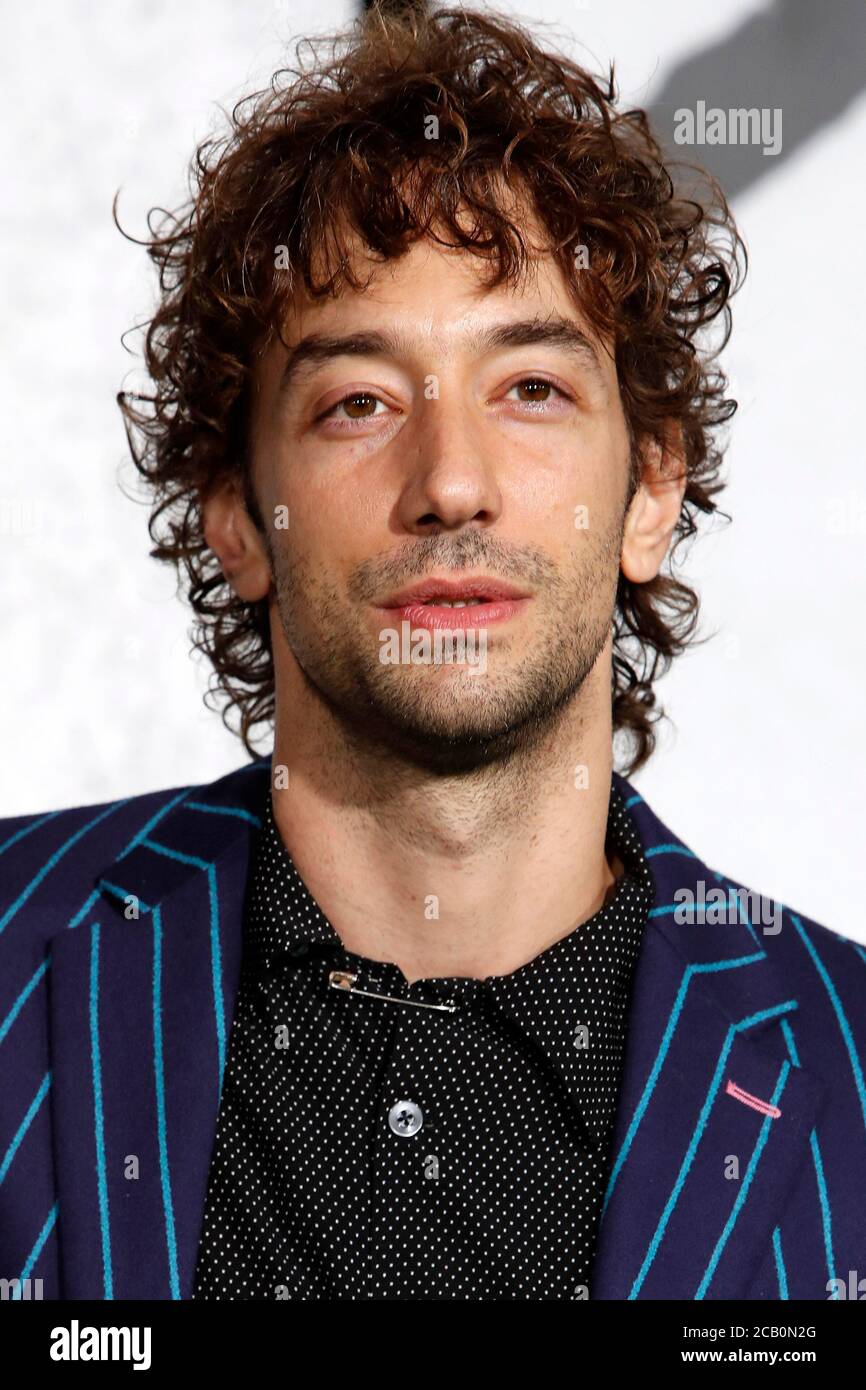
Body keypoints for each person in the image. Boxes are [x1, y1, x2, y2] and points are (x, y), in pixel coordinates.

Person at [1, 6, 862, 1302]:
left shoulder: (845, 1064)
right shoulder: (19, 951)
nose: (450, 482)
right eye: (359, 402)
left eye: (530, 389)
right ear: (235, 510)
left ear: (648, 489)